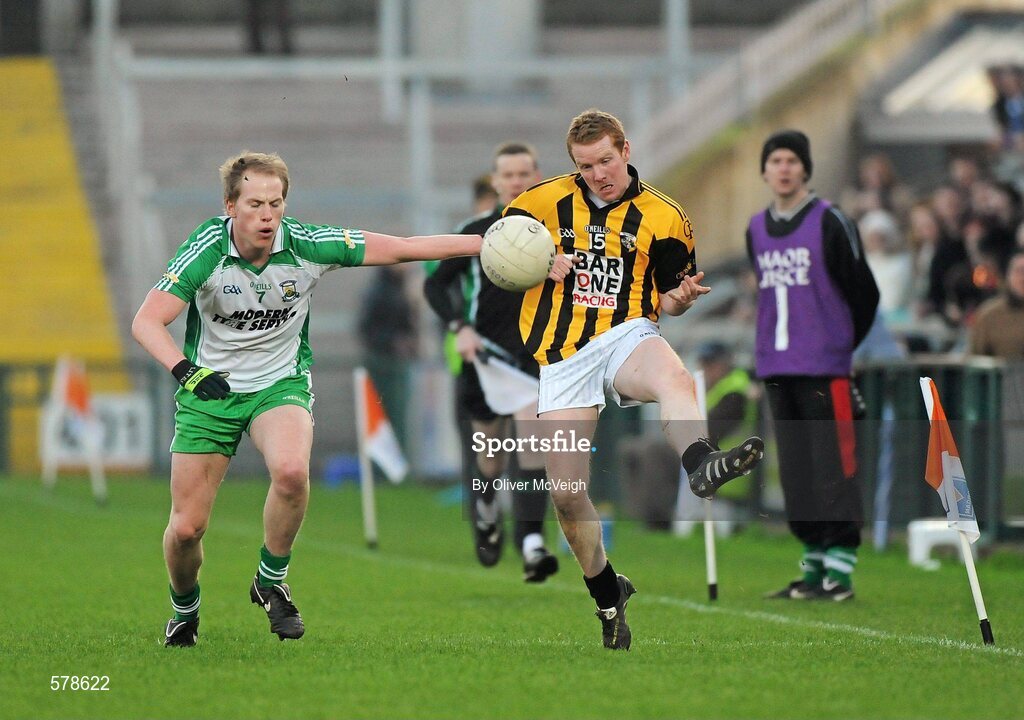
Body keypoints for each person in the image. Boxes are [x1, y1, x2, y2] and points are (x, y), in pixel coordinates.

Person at [131, 151, 482, 647]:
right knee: (187, 529)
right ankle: (184, 610)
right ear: (229, 205)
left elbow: (403, 247)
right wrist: (186, 372)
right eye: (255, 203)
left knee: (293, 472)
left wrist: (483, 244)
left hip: (280, 383)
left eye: (276, 203)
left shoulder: (307, 245)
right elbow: (146, 321)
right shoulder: (206, 249)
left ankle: (271, 581)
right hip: (209, 391)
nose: (268, 215)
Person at [505, 109, 764, 650]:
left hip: (627, 332)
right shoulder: (538, 205)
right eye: (585, 165)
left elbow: (670, 297)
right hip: (562, 355)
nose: (598, 173)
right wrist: (538, 265)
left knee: (676, 377)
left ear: (625, 149)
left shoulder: (666, 217)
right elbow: (500, 260)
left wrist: (681, 298)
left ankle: (702, 463)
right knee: (569, 497)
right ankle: (607, 593)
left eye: (605, 160)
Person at [746, 130, 879, 602]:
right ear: (764, 171)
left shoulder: (831, 221)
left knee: (834, 467)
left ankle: (840, 571)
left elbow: (865, 292)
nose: (783, 168)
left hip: (825, 369)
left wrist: (839, 346)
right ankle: (812, 566)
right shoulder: (756, 228)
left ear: (805, 168)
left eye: (791, 160)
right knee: (796, 472)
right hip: (778, 367)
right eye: (774, 160)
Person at [424, 142, 560, 582]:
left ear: (537, 176)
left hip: (536, 354)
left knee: (534, 447)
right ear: (496, 181)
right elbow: (435, 287)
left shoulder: (558, 230)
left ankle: (533, 543)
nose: (517, 181)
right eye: (509, 175)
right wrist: (458, 327)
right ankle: (486, 508)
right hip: (486, 356)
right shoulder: (477, 231)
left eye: (525, 173)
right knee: (491, 459)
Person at [358, 264, 419, 449]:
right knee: (383, 416)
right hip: (382, 364)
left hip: (398, 363)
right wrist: (392, 341)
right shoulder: (378, 293)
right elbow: (366, 328)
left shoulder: (401, 291)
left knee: (399, 416)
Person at [969, 248, 1024, 360]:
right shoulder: (989, 315)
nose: (1023, 278)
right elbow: (975, 359)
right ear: (1007, 276)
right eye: (1019, 271)